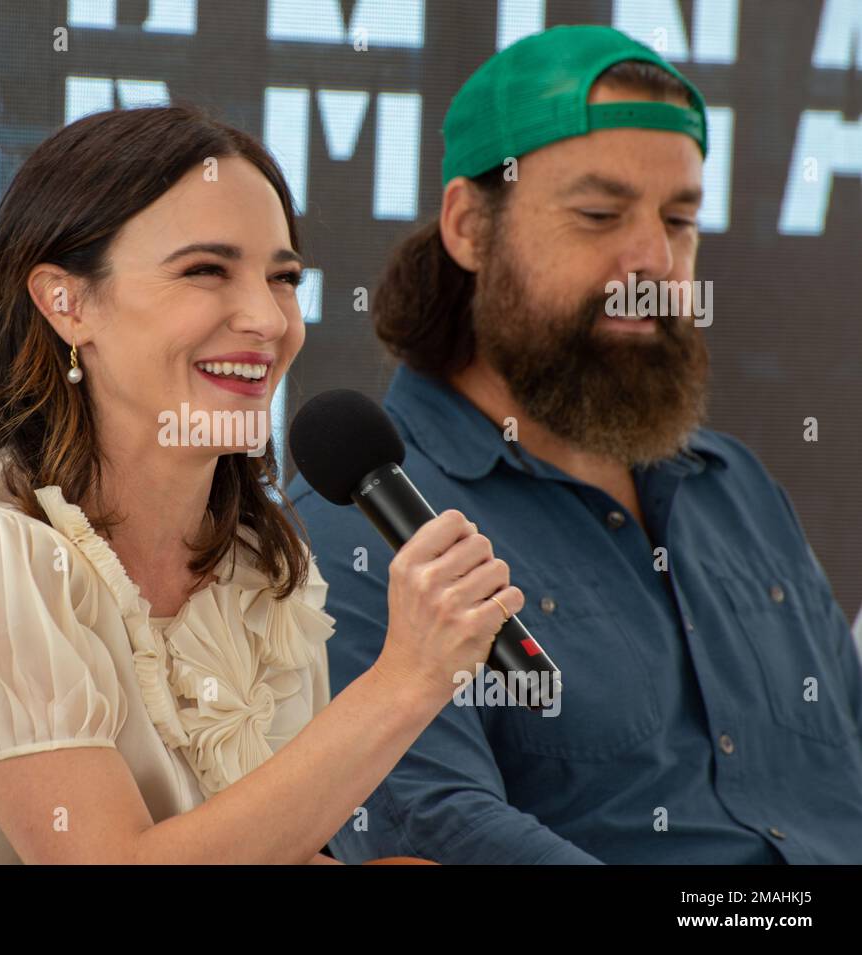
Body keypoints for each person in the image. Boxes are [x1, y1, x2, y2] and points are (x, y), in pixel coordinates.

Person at [0, 104, 521, 864]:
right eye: (206, 271)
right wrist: (405, 681)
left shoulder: (262, 564)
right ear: (65, 303)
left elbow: (257, 843)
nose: (268, 319)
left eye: (283, 278)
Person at [289, 25, 862, 864]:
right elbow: (438, 830)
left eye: (681, 218)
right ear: (468, 227)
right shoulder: (365, 520)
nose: (654, 260)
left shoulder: (734, 484)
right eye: (599, 215)